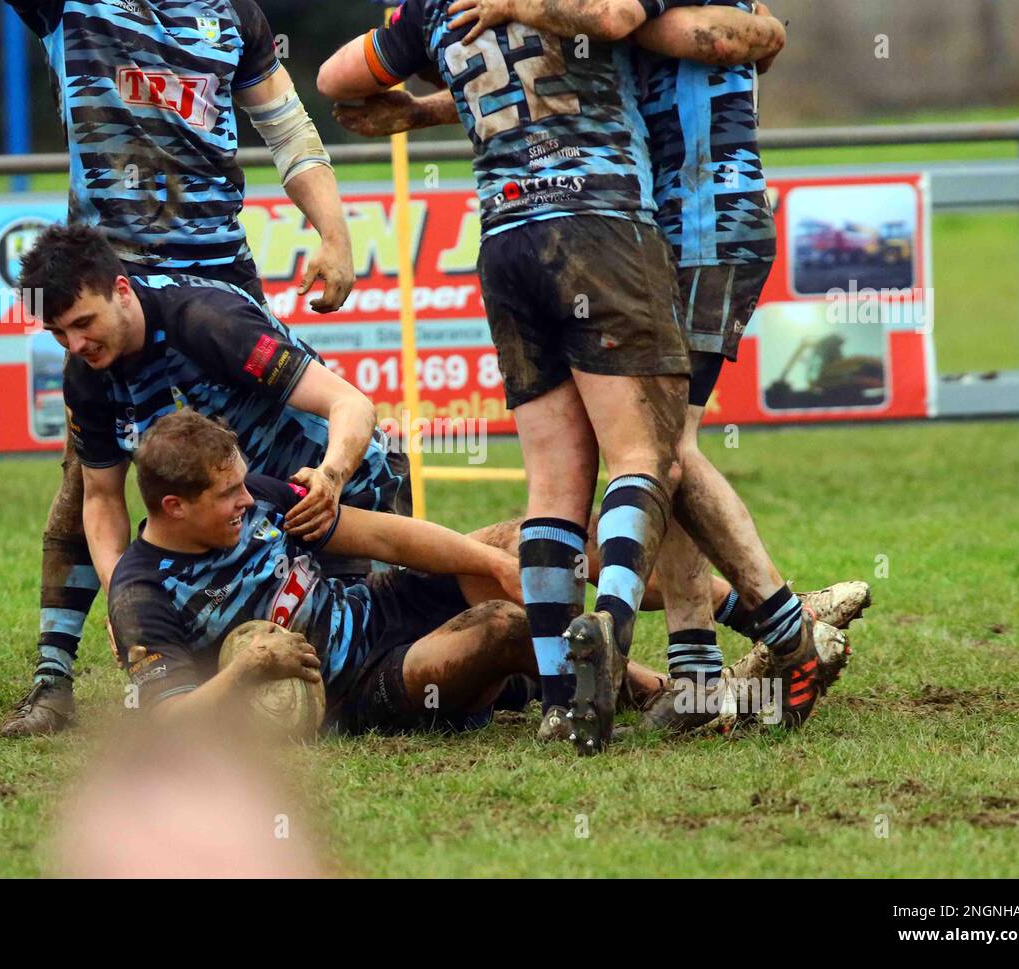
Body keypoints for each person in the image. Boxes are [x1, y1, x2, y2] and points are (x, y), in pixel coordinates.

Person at [317, 0, 845, 751]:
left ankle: (768, 640)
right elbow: (594, 40)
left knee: (658, 452)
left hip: (701, 217)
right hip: (630, 219)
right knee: (652, 454)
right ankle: (725, 654)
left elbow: (680, 29)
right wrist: (450, 97)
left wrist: (508, 20)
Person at [0, 0, 366, 735]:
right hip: (116, 285)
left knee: (283, 462)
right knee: (90, 472)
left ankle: (353, 645)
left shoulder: (232, 13)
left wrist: (334, 232)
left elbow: (288, 128)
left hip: (221, 289)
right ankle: (53, 677)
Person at [108, 410, 780, 735]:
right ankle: (686, 695)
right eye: (227, 495)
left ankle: (772, 619)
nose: (247, 499)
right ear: (175, 506)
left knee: (536, 548)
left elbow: (382, 535)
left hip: (377, 606)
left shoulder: (253, 492)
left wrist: (494, 560)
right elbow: (161, 723)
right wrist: (244, 671)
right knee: (510, 623)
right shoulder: (141, 591)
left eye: (240, 485)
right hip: (359, 687)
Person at [0, 224, 407, 737]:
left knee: (359, 670)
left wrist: (330, 477)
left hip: (343, 491)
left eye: (83, 323)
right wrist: (124, 596)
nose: (76, 344)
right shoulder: (87, 376)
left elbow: (350, 403)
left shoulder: (208, 323)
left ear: (122, 291)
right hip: (240, 521)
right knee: (233, 686)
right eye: (59, 334)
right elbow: (102, 499)